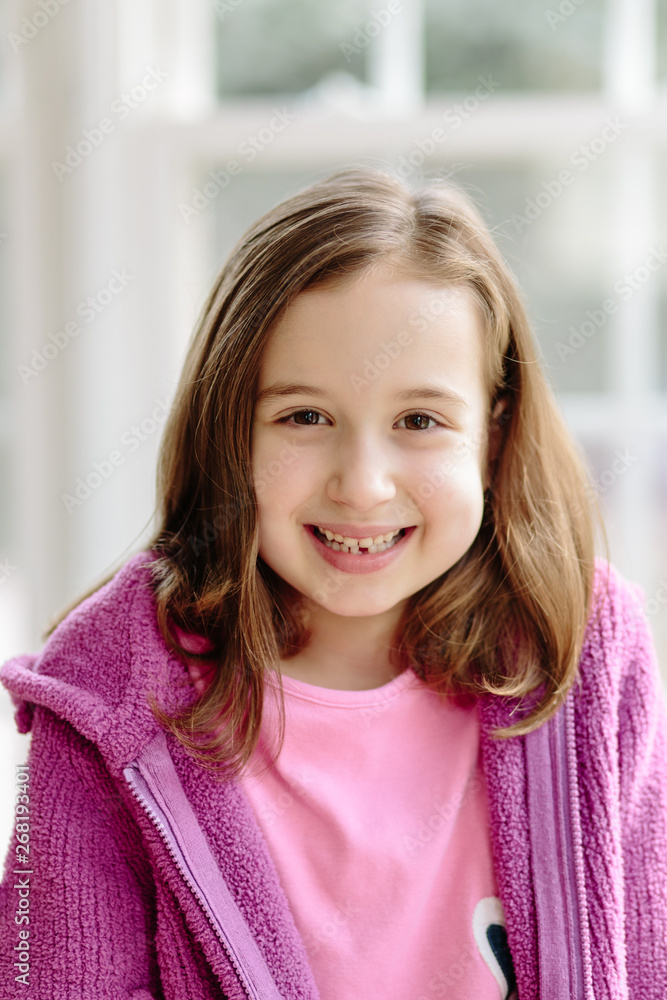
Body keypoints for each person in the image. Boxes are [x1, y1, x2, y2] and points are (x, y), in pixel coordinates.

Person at [1, 165, 666, 1000]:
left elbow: (641, 958)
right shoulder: (103, 689)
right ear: (229, 433)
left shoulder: (586, 648)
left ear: (493, 441)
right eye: (303, 418)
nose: (362, 485)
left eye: (419, 421)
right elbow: (47, 979)